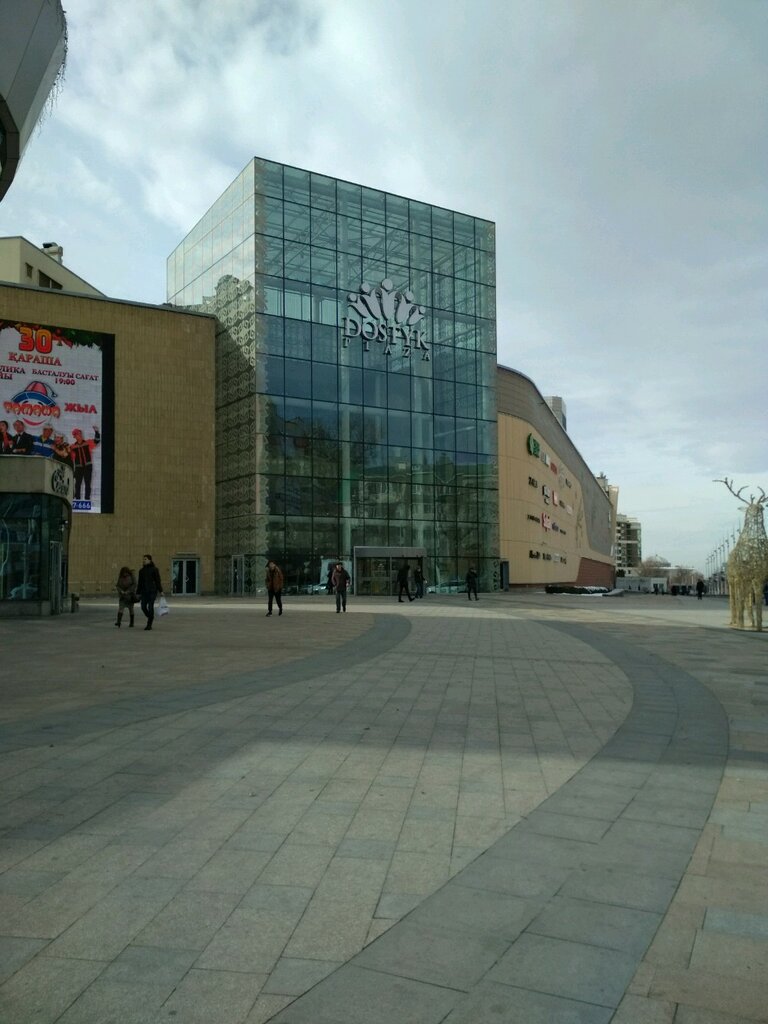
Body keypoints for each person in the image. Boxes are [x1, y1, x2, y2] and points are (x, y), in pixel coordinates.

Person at [70, 426, 100, 500]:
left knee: (87, 484)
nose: (78, 435)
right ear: (74, 436)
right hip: (78, 468)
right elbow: (71, 457)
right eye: (76, 434)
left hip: (88, 466)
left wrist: (96, 432)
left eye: (79, 433)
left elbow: (97, 440)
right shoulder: (72, 447)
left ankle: (87, 499)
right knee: (77, 485)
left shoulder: (88, 443)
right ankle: (77, 499)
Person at [136, 554, 163, 630]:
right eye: (143, 559)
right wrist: (138, 593)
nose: (144, 560)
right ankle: (150, 617)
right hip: (144, 592)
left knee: (150, 606)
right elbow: (140, 582)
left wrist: (161, 590)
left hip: (152, 591)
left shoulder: (154, 569)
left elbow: (158, 581)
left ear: (150, 560)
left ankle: (149, 624)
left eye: (145, 559)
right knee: (143, 607)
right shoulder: (141, 571)